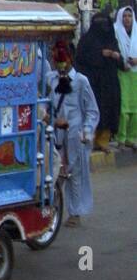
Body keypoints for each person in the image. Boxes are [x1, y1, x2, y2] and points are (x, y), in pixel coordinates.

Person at [48, 40, 98, 226]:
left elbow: (92, 110)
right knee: (54, 173)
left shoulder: (81, 81)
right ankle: (52, 213)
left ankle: (75, 213)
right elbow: (46, 105)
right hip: (55, 133)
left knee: (75, 174)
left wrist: (87, 131)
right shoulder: (50, 79)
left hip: (75, 135)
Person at [74, 13, 123, 151]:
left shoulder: (112, 40)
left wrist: (116, 55)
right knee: (94, 109)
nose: (103, 28)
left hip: (110, 81)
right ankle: (91, 138)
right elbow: (81, 59)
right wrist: (100, 54)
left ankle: (103, 141)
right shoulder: (87, 40)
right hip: (93, 82)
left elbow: (121, 62)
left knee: (110, 108)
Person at [118, 6, 137, 148]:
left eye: (130, 16)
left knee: (135, 108)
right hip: (121, 73)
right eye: (124, 16)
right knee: (123, 107)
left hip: (135, 74)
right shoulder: (115, 31)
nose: (127, 19)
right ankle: (121, 137)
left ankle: (132, 137)